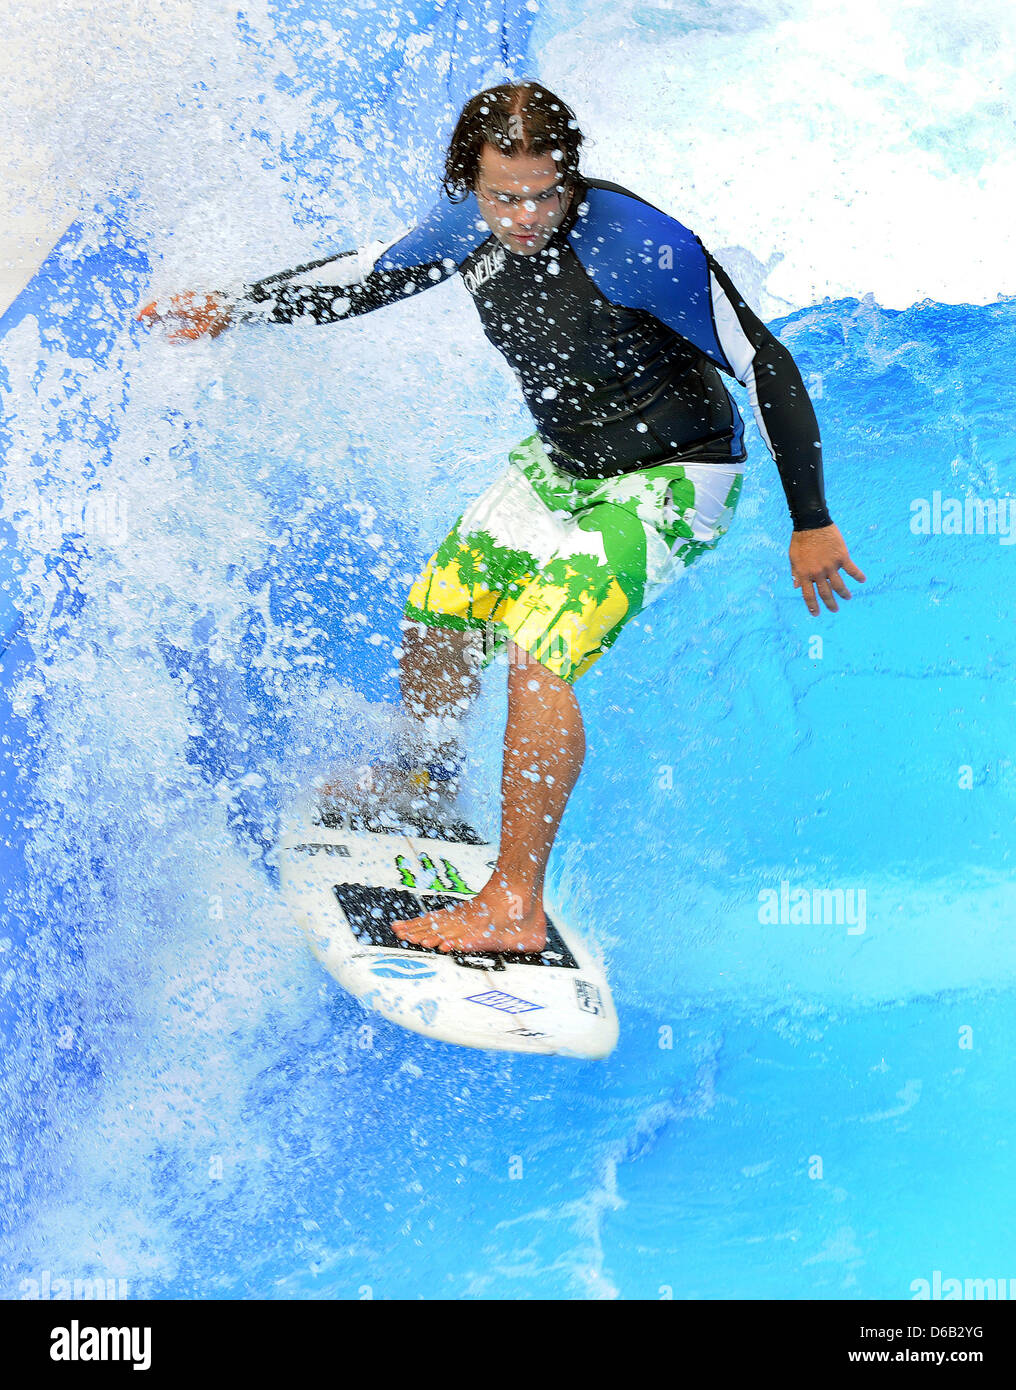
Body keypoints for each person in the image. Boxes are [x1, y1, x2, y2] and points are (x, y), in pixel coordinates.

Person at [137, 82, 865, 956]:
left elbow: (764, 359)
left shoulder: (642, 245)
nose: (526, 216)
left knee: (538, 655)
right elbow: (365, 279)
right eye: (503, 197)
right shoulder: (465, 226)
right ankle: (422, 782)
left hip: (671, 479)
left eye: (545, 192)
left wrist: (809, 519)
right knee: (442, 610)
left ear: (570, 175)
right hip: (559, 464)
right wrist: (236, 306)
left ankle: (514, 904)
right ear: (469, 185)